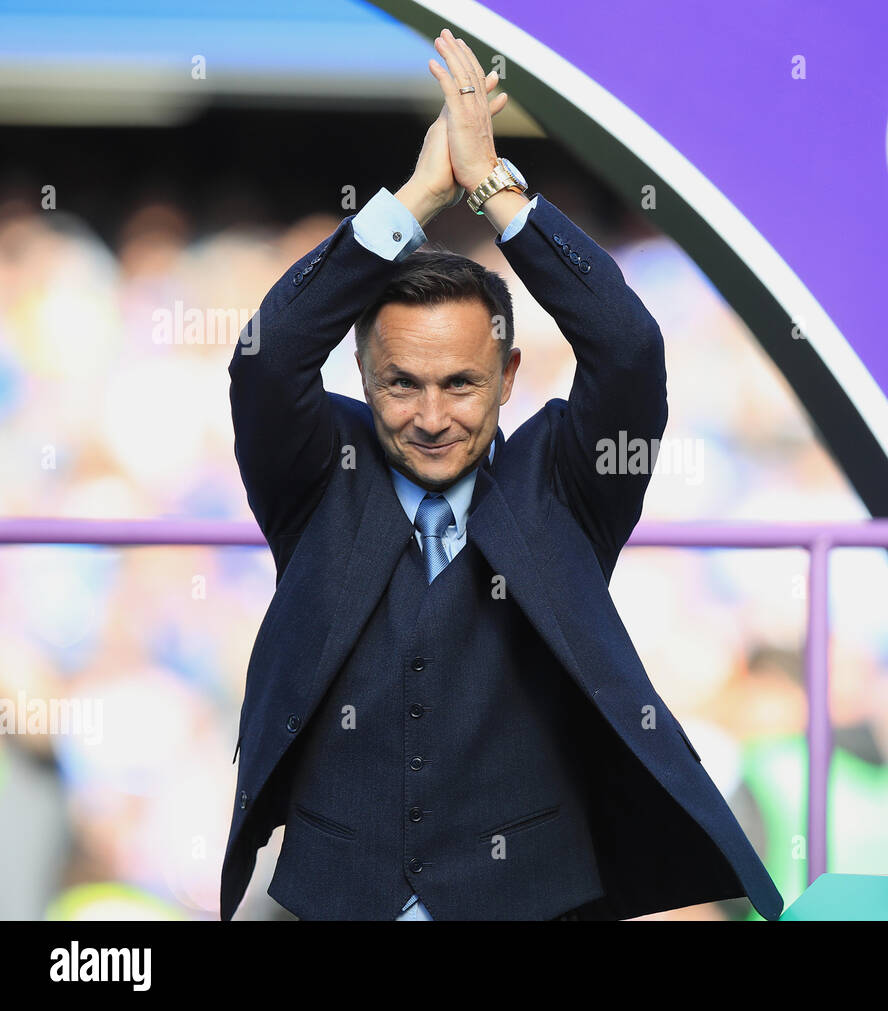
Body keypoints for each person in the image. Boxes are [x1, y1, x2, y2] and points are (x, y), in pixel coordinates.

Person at [220, 28, 782, 921]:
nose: (433, 415)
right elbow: (264, 359)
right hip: (332, 897)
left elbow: (629, 347)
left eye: (461, 384)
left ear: (511, 378)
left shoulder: (562, 485)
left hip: (535, 899)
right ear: (362, 378)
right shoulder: (321, 472)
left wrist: (495, 192)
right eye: (402, 383)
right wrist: (415, 197)